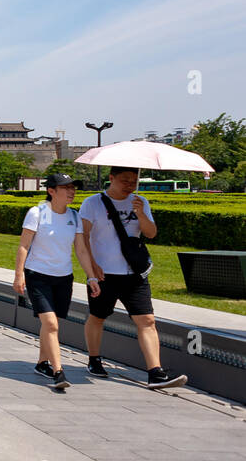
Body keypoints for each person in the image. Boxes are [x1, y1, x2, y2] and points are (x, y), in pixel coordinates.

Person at [80, 166, 186, 389]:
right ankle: (94, 359)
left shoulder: (140, 202)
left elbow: (151, 233)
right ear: (111, 178)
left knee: (147, 320)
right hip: (104, 274)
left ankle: (155, 372)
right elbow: (83, 237)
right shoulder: (92, 203)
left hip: (134, 274)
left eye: (133, 181)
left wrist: (141, 213)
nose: (130, 185)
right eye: (125, 180)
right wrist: (92, 267)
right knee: (98, 316)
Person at [12, 173, 99, 391]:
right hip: (38, 275)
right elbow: (24, 246)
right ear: (51, 191)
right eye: (66, 188)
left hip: (63, 278)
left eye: (73, 188)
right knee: (51, 324)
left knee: (50, 324)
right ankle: (58, 372)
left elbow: (81, 250)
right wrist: (19, 274)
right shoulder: (37, 213)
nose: (72, 191)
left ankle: (42, 363)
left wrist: (91, 276)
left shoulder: (74, 216)